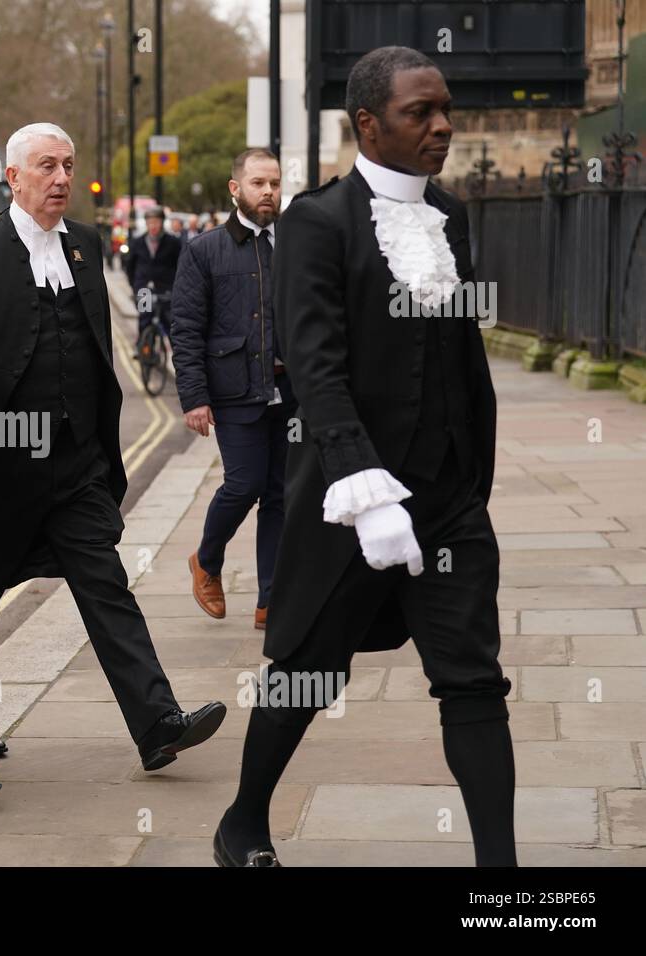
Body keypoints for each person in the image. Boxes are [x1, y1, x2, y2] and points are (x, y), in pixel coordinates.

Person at [214, 46, 513, 868]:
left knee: (474, 683)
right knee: (306, 673)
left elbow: (456, 361)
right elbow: (315, 367)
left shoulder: (448, 216)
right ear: (369, 125)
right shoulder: (316, 221)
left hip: (449, 500)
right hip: (353, 499)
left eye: (446, 108)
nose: (443, 125)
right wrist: (364, 485)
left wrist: (470, 481)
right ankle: (242, 820)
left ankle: (503, 878)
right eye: (422, 112)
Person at [0, 122, 227, 771]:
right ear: (13, 177)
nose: (62, 178)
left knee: (106, 588)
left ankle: (157, 723)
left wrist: (98, 451)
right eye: (46, 166)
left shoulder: (86, 245)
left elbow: (94, 351)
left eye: (67, 165)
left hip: (76, 466)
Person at [171, 148, 290, 631]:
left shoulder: (296, 245)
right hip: (235, 388)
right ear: (235, 188)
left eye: (275, 183)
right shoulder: (204, 249)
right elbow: (185, 327)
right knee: (245, 484)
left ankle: (270, 601)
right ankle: (208, 560)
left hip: (291, 391)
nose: (268, 191)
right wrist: (194, 397)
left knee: (281, 494)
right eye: (259, 182)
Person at [124, 207, 182, 351]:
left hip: (166, 288)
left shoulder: (173, 242)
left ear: (162, 223)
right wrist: (134, 285)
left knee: (168, 320)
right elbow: (130, 266)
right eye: (150, 222)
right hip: (143, 286)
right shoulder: (137, 242)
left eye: (156, 222)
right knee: (145, 317)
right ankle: (143, 348)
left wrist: (176, 287)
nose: (153, 226)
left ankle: (176, 355)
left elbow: (180, 266)